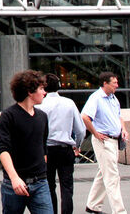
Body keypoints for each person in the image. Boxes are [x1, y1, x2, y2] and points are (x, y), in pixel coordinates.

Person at [0, 70, 51, 214]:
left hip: (40, 183)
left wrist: (42, 171)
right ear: (30, 92)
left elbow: (43, 147)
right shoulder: (8, 116)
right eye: (41, 89)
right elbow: (2, 149)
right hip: (13, 184)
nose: (44, 92)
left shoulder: (42, 117)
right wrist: (14, 178)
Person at [36, 74, 84, 214]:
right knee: (67, 187)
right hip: (65, 148)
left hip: (46, 150)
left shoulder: (40, 105)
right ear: (59, 86)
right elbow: (81, 130)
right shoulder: (69, 103)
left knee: (49, 186)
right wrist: (77, 145)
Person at [81, 72, 127, 214]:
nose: (117, 85)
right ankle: (119, 211)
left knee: (105, 172)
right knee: (112, 176)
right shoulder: (96, 98)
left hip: (113, 140)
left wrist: (123, 129)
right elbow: (85, 116)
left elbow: (119, 116)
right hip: (104, 141)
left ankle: (93, 205)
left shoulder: (113, 98)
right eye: (114, 83)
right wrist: (95, 133)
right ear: (105, 83)